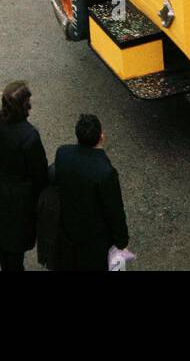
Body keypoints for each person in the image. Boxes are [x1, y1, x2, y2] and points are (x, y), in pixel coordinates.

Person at [42, 114, 130, 272]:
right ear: (101, 136)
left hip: (68, 230)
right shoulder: (105, 172)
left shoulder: (63, 153)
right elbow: (114, 210)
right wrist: (121, 240)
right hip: (93, 239)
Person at [0, 80, 48, 271]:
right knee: (15, 242)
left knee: (1, 238)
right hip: (20, 196)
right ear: (26, 105)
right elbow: (39, 172)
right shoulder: (29, 136)